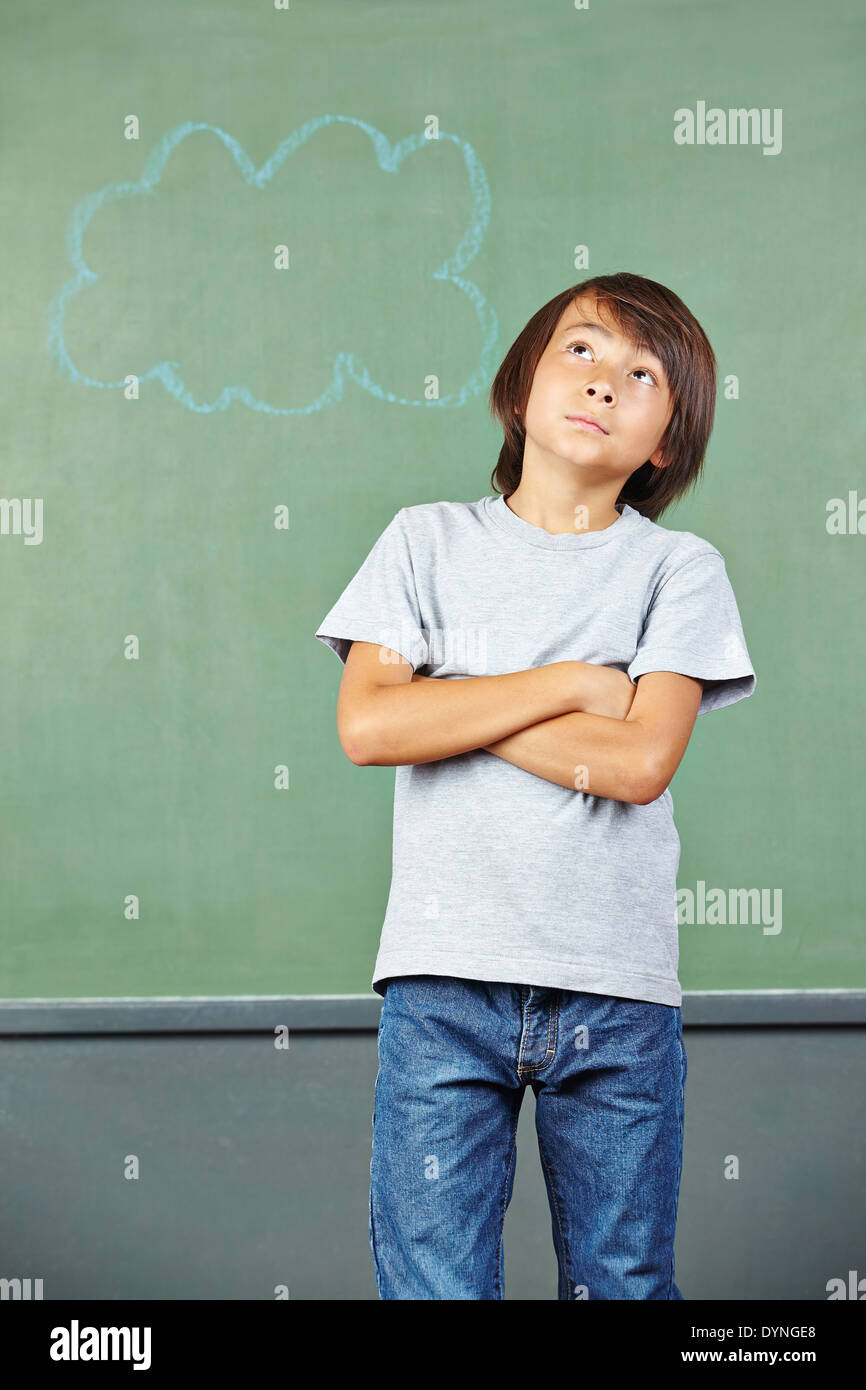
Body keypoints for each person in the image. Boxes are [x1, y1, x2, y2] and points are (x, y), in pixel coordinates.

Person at [314, 271, 757, 1300]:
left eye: (641, 374)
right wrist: (567, 688)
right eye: (582, 350)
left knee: (623, 1281)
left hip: (615, 987)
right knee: (432, 1283)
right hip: (441, 979)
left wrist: (451, 703)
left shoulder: (678, 571)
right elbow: (371, 725)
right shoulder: (421, 542)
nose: (604, 382)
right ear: (518, 390)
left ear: (663, 442)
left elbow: (641, 763)